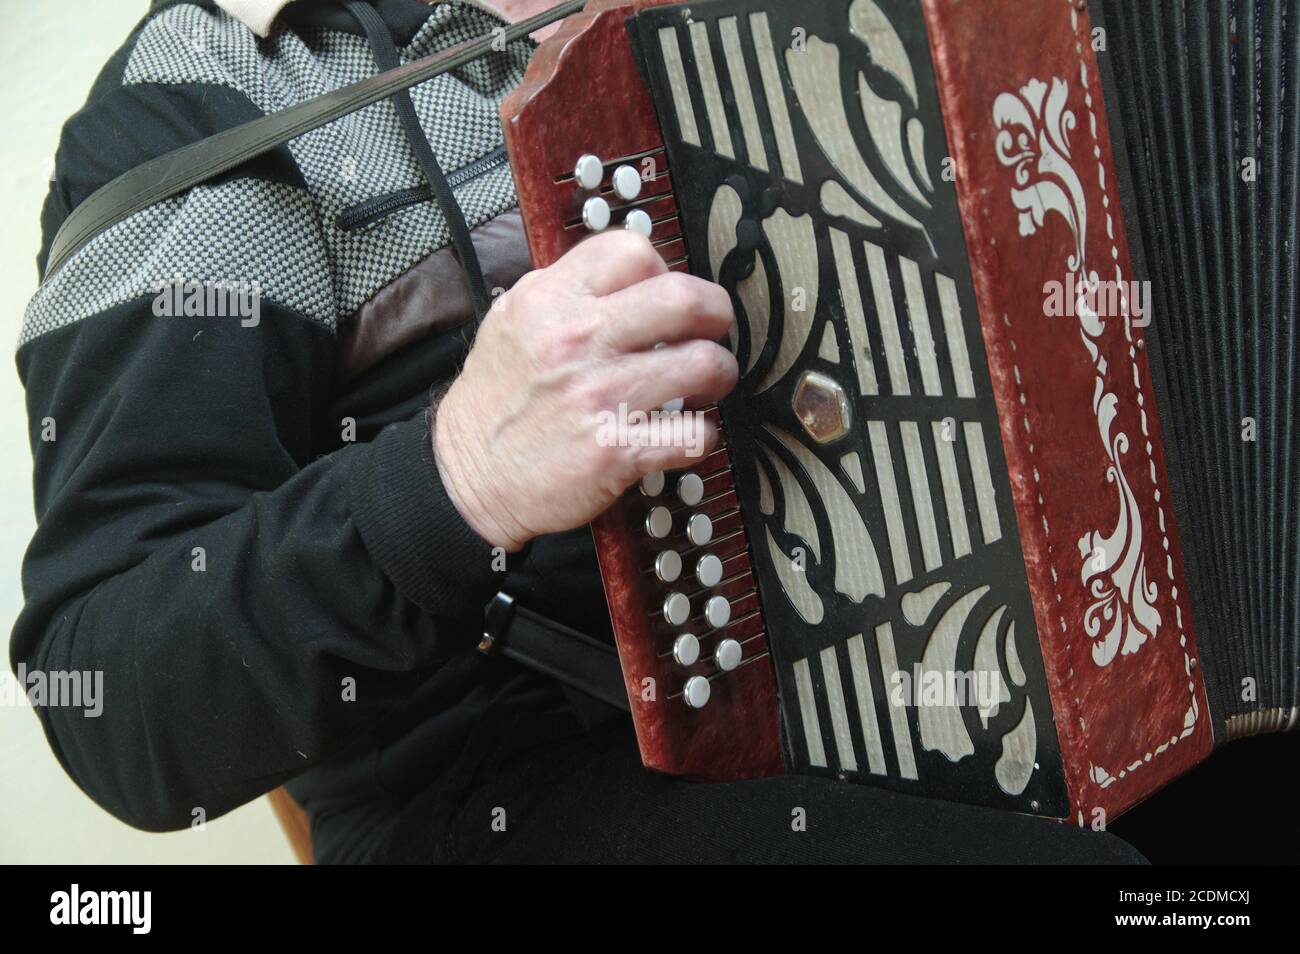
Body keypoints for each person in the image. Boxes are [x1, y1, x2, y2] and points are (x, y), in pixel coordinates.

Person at [11, 0, 1144, 864]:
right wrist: (453, 478)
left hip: (968, 654)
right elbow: (113, 681)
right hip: (523, 778)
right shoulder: (223, 85)